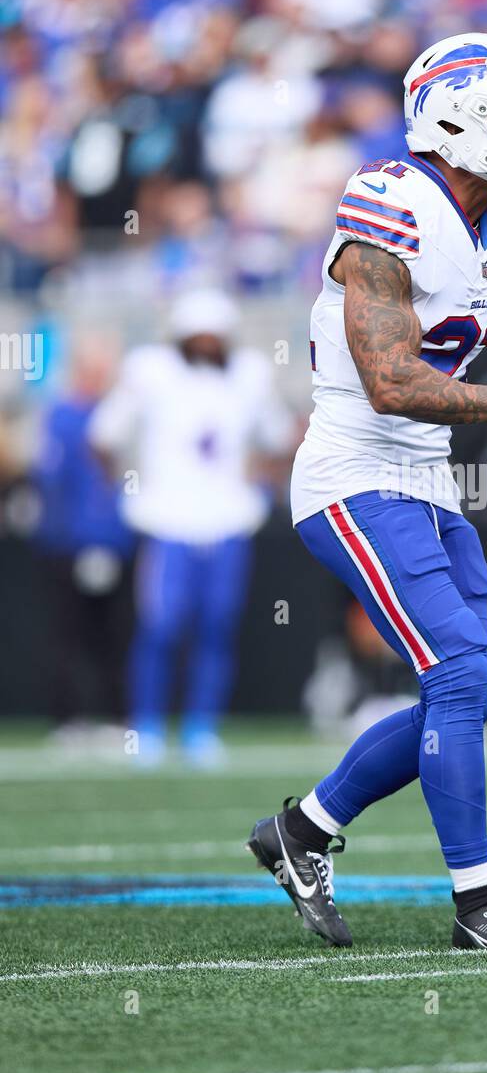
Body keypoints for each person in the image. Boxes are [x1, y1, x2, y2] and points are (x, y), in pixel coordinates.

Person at [247, 33, 487, 950]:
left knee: (465, 681)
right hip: (351, 469)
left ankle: (300, 834)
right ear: (453, 119)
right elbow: (391, 381)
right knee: (457, 668)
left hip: (426, 472)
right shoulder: (391, 203)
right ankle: (479, 905)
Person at [89, 289, 293, 765]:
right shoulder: (150, 372)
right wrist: (125, 488)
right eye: (196, 336)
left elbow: (282, 438)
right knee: (161, 625)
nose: (205, 345)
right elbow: (104, 435)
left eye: (213, 337)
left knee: (217, 626)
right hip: (167, 520)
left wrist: (258, 482)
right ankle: (148, 727)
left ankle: (202, 726)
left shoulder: (249, 376)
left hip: (227, 519)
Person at [33, 334, 135, 739]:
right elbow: (55, 482)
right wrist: (74, 538)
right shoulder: (63, 415)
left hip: (114, 540)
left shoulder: (116, 415)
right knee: (69, 633)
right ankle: (69, 719)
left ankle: (114, 717)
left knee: (112, 634)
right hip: (69, 544)